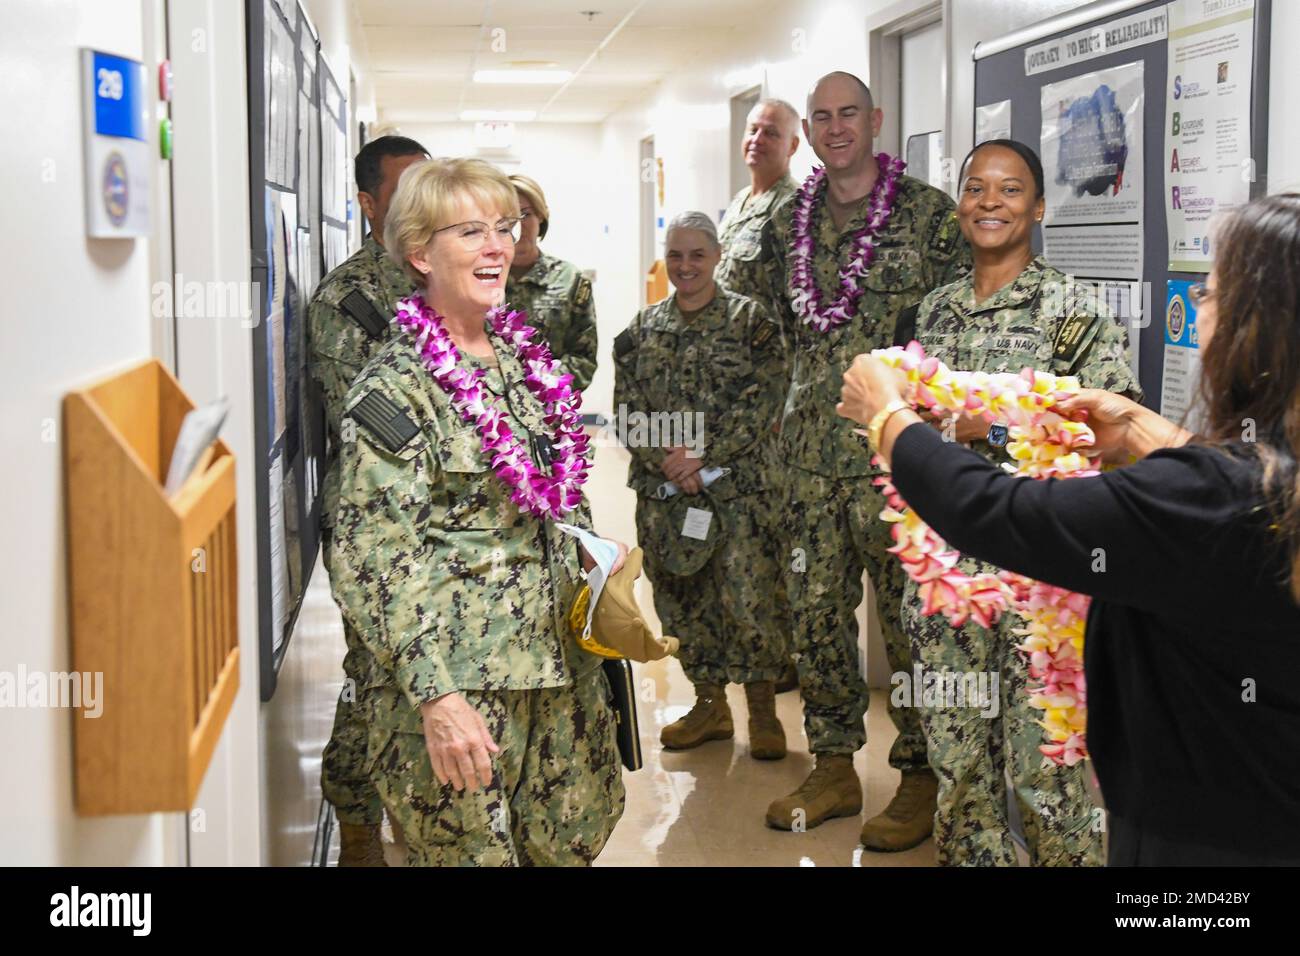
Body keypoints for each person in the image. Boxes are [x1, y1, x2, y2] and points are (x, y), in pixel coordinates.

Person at [838, 192, 1300, 866]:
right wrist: (1145, 431)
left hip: (1205, 844)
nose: (1198, 302)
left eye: (1212, 290)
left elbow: (993, 511)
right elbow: (1235, 481)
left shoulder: (1206, 501)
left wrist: (887, 417)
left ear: (1254, 329)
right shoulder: (1260, 482)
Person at [330, 158, 627, 866]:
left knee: (569, 844)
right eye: (470, 232)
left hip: (557, 675)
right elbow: (371, 558)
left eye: (504, 227)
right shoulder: (396, 391)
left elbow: (549, 500)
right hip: (466, 685)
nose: (498, 247)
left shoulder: (524, 364)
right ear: (419, 253)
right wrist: (437, 699)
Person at [903, 139, 1140, 866]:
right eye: (976, 189)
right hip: (947, 572)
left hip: (1040, 572)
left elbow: (1119, 430)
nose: (989, 204)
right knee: (957, 754)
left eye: (1010, 191)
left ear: (1037, 209)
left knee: (1048, 766)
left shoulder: (1072, 310)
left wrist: (993, 424)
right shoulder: (935, 312)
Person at [760, 70, 970, 849]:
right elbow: (771, 323)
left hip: (896, 460)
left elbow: (952, 330)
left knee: (909, 625)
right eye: (822, 117)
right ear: (809, 131)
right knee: (815, 620)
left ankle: (918, 775)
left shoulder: (929, 217)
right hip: (808, 462)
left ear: (876, 120)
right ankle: (835, 764)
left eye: (850, 113)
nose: (837, 127)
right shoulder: (789, 219)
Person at [613, 212, 789, 759]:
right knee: (682, 600)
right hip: (667, 495)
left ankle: (762, 711)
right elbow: (626, 408)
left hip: (737, 490)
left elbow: (764, 397)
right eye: (676, 255)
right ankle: (709, 705)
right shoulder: (640, 331)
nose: (685, 266)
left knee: (749, 597)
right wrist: (669, 459)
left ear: (716, 258)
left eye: (696, 255)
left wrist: (702, 455)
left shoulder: (749, 321)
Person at [308, 133, 428, 866]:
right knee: (376, 678)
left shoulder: (438, 273)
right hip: (377, 528)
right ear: (368, 202)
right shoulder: (347, 299)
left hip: (451, 527)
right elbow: (365, 415)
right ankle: (357, 826)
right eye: (405, 187)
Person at [716, 97, 802, 695]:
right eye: (752, 128)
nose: (757, 139)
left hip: (769, 401)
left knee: (770, 535)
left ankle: (777, 664)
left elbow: (800, 317)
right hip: (731, 397)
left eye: (772, 132)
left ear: (793, 145)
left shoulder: (792, 211)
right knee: (737, 529)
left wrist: (783, 406)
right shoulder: (740, 205)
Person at [503, 174, 598, 392]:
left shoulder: (570, 279)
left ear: (541, 217)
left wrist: (544, 387)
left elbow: (583, 356)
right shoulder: (482, 278)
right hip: (491, 411)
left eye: (525, 214)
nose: (517, 226)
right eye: (507, 217)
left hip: (551, 407)